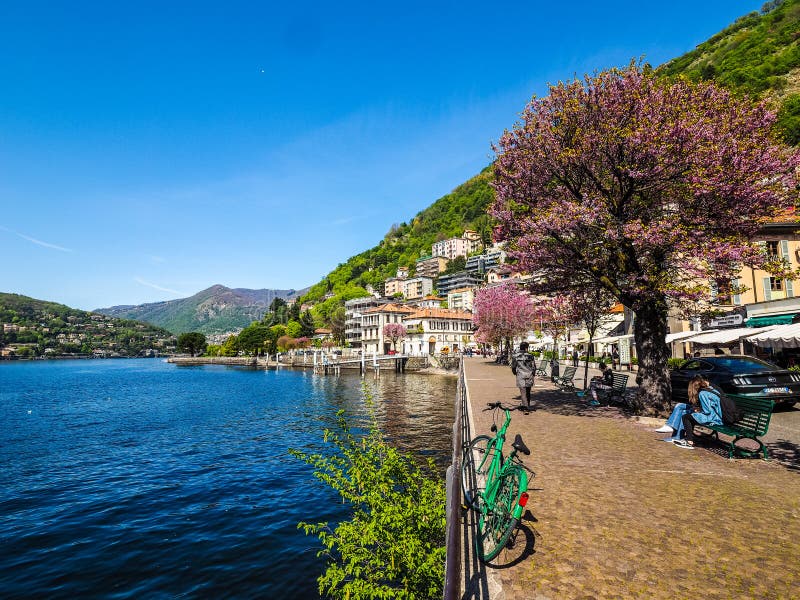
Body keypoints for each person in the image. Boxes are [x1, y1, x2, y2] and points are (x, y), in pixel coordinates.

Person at [673, 375, 723, 449]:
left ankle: (689, 442)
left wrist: (699, 411)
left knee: (686, 417)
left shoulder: (702, 394)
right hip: (717, 416)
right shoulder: (711, 390)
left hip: (713, 418)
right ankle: (688, 438)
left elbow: (707, 411)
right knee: (691, 416)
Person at [511, 341, 536, 410]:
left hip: (520, 375)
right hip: (529, 375)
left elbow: (513, 366)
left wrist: (514, 373)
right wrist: (533, 374)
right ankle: (527, 405)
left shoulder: (515, 356)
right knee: (528, 392)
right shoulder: (531, 356)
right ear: (526, 348)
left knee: (523, 392)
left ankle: (526, 407)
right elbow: (534, 367)